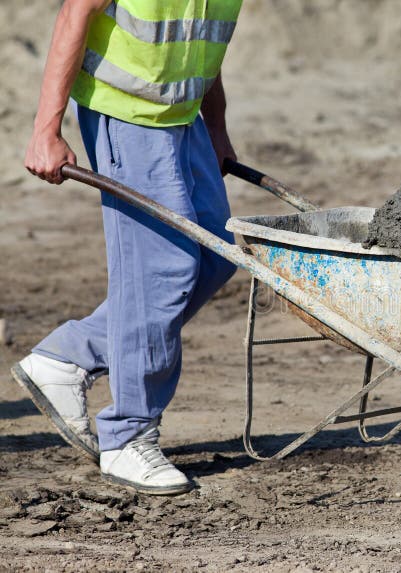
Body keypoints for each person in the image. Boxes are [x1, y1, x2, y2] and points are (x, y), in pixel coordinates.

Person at [13, 0, 243, 495]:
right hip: (127, 112)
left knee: (216, 254)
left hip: (182, 116)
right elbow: (76, 12)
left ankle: (69, 355)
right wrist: (45, 131)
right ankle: (127, 434)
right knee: (162, 271)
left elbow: (198, 38)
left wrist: (216, 125)